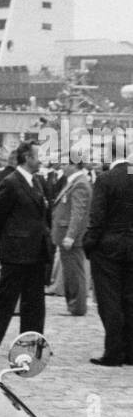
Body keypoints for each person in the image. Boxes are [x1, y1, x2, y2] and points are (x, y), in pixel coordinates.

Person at [0, 141, 53, 357]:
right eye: (38, 156)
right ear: (27, 158)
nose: (41, 160)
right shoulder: (11, 183)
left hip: (36, 251)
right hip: (15, 251)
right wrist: (1, 242)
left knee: (35, 301)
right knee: (5, 299)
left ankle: (32, 343)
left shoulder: (36, 182)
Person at [83, 152, 133, 366]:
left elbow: (97, 216)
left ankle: (113, 351)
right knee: (130, 299)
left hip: (108, 246)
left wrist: (89, 243)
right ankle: (130, 351)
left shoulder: (106, 178)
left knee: (109, 300)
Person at [50, 160, 92, 316]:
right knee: (70, 272)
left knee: (75, 273)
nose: (62, 167)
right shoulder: (75, 181)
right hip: (65, 234)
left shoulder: (79, 183)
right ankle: (74, 305)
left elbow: (78, 213)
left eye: (65, 164)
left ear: (75, 165)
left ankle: (77, 306)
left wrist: (70, 235)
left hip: (71, 237)